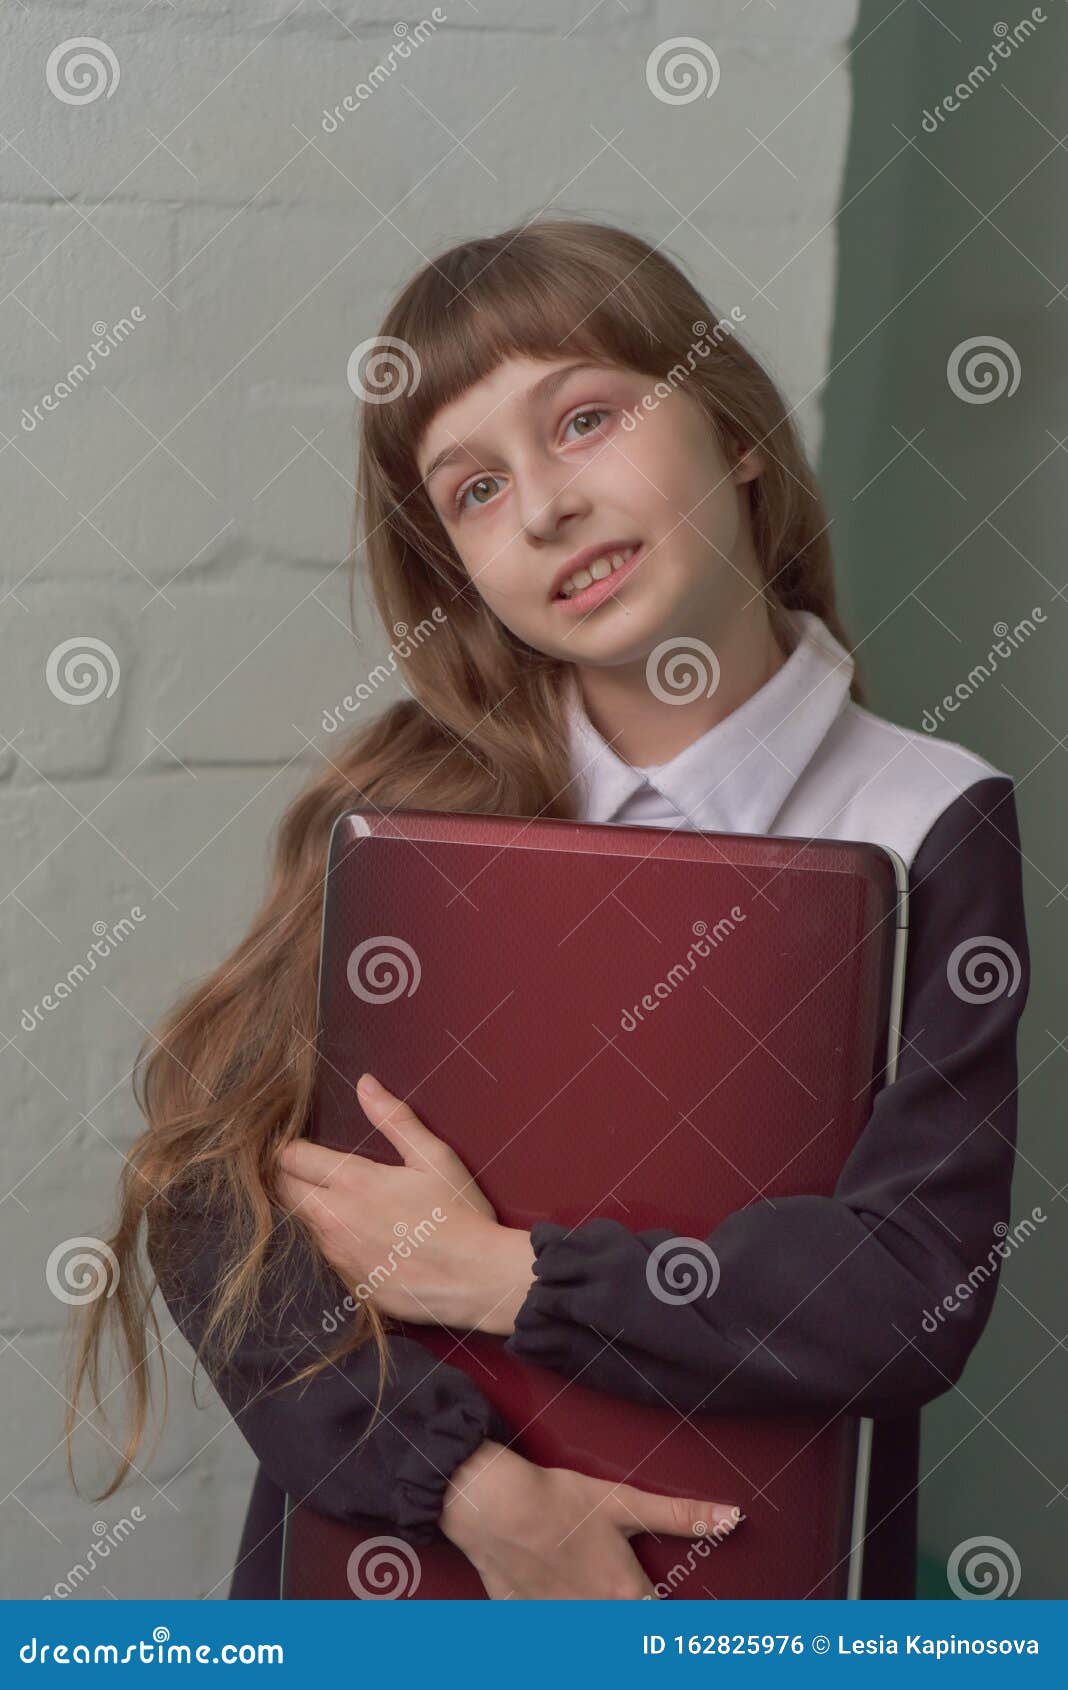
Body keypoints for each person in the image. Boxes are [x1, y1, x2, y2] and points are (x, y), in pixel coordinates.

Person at [65, 216, 1031, 1602]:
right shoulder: (410, 803)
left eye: (585, 419)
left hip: (751, 1583)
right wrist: (473, 1488)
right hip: (396, 1579)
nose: (541, 507)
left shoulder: (927, 817)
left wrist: (507, 1277)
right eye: (471, 489)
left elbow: (909, 1288)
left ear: (738, 431)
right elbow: (212, 1195)